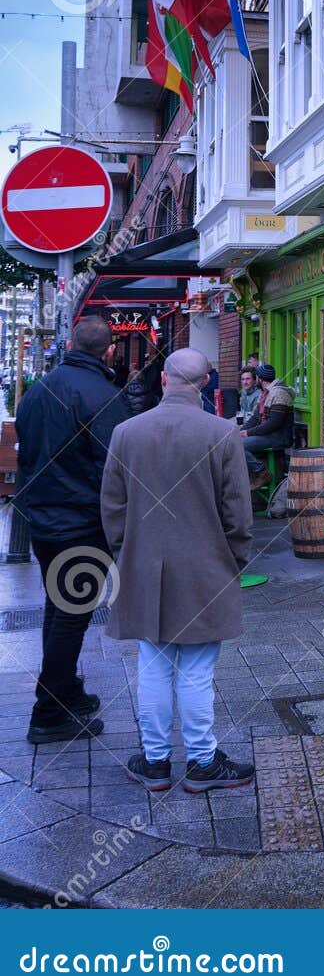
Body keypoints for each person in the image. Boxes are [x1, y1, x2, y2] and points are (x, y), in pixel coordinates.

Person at [100, 347, 255, 793]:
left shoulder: (127, 432)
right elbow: (238, 514)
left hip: (144, 563)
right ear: (204, 383)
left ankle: (155, 761)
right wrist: (234, 559)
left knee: (152, 663)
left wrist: (126, 550)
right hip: (206, 565)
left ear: (164, 379)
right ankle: (203, 763)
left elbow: (112, 505)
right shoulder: (221, 433)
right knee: (196, 670)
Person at [15, 316, 132, 744]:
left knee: (59, 606)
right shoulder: (104, 395)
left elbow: (27, 452)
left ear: (70, 344)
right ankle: (49, 714)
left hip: (43, 518)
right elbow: (113, 467)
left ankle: (65, 693)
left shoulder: (39, 390)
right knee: (70, 616)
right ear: (109, 350)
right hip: (81, 521)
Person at [241, 363, 294, 481]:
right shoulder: (266, 392)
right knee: (234, 441)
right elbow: (255, 418)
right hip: (268, 435)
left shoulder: (279, 393)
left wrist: (248, 433)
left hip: (278, 437)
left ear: (260, 379)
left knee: (238, 445)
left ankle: (261, 472)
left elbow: (274, 423)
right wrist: (239, 431)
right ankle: (249, 478)